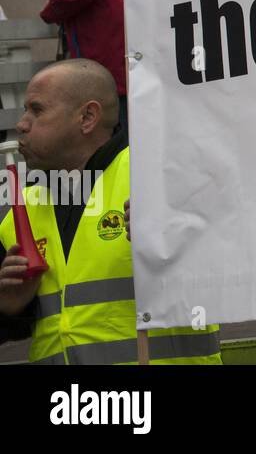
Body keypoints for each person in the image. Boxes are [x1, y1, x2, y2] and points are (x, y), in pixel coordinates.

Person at [0, 59, 221, 364]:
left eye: (37, 110)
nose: (22, 124)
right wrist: (9, 308)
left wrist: (178, 245)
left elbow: (237, 277)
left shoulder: (161, 174)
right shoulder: (19, 214)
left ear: (88, 117)